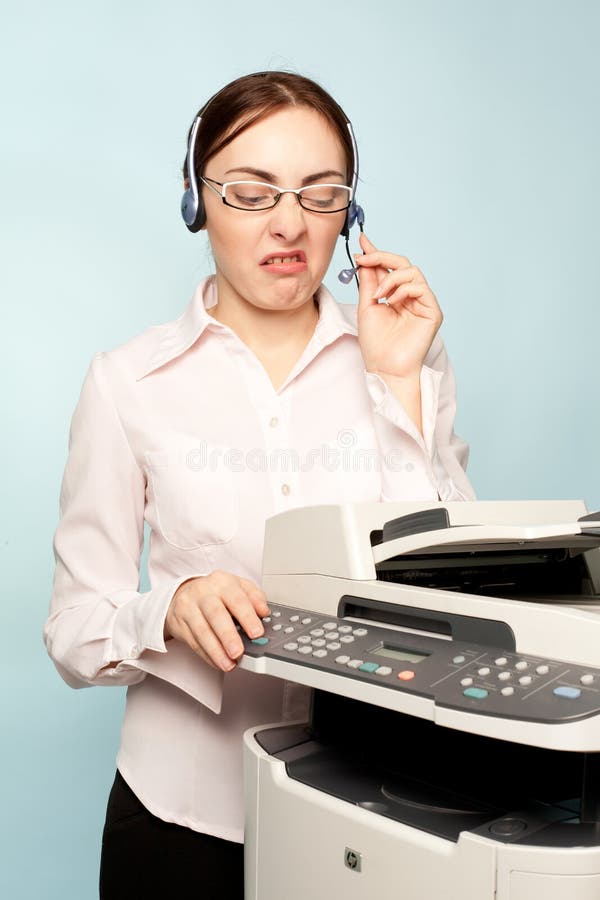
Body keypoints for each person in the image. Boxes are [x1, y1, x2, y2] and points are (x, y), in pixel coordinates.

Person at [44, 70, 475, 899]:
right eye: (250, 192)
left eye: (321, 195)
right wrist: (164, 611)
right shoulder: (126, 382)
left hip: (370, 822)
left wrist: (397, 382)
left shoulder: (407, 357)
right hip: (180, 819)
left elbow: (452, 592)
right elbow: (71, 631)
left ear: (350, 215)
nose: (288, 224)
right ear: (197, 198)